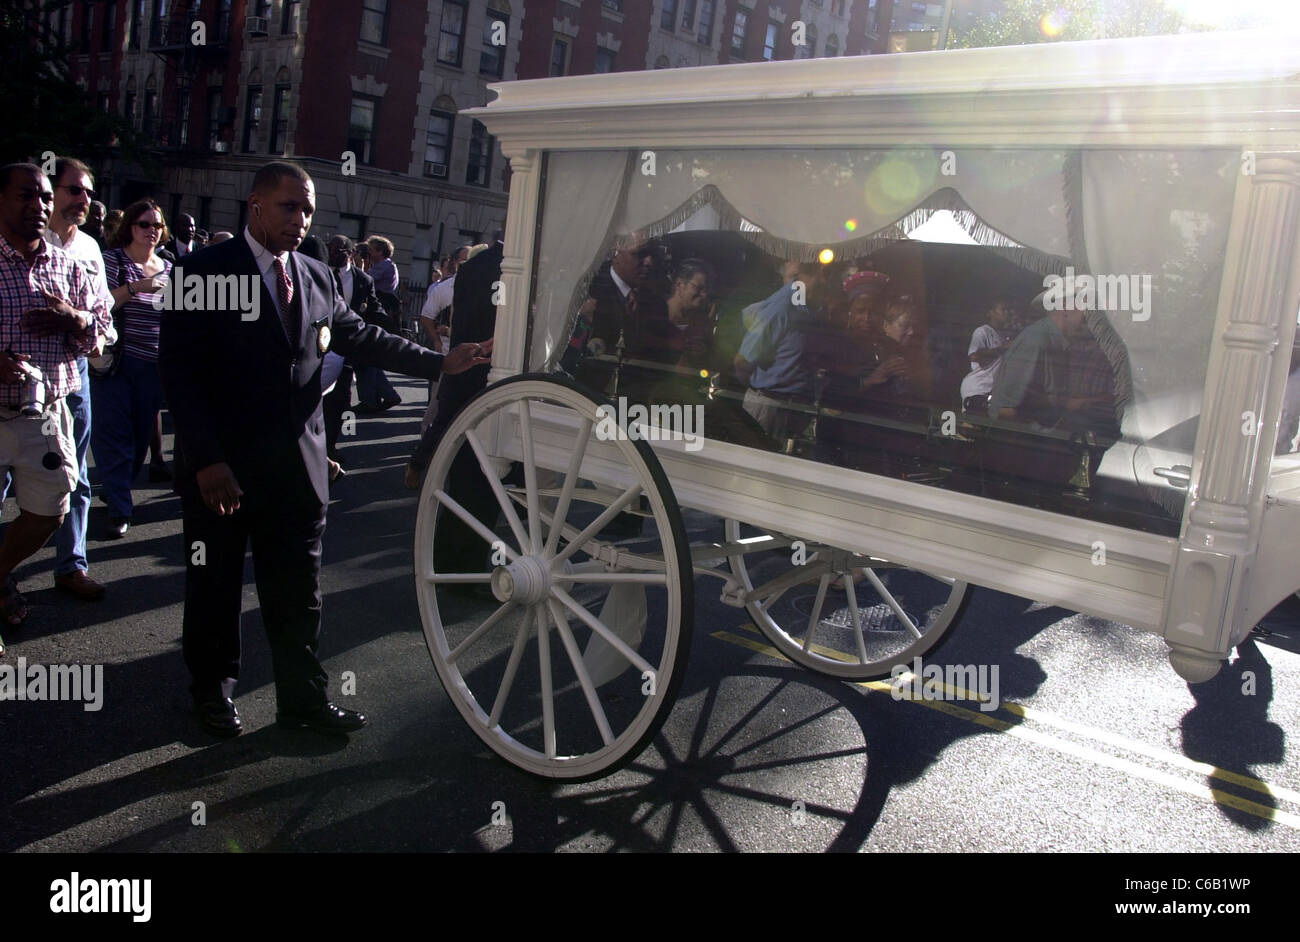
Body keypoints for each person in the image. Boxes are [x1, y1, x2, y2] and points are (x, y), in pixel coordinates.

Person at [157, 160, 490, 738]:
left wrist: (440, 361)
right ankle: (212, 696)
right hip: (225, 472)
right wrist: (208, 459)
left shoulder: (315, 274)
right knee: (214, 588)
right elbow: (180, 375)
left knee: (298, 593)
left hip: (298, 470)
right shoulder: (202, 272)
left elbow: (361, 335)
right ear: (255, 204)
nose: (301, 219)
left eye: (308, 208)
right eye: (290, 207)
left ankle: (302, 702)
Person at [0, 163, 113, 645]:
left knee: (52, 509)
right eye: (26, 196)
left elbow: (106, 332)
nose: (38, 206)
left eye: (43, 198)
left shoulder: (70, 263)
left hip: (46, 412)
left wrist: (75, 319)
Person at [39, 157, 116, 597]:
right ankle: (3, 574)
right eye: (73, 190)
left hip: (75, 374)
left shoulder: (88, 247)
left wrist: (92, 332)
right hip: (25, 378)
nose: (84, 199)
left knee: (77, 475)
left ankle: (71, 566)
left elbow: (105, 312)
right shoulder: (24, 241)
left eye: (88, 191)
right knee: (7, 474)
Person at [92, 198, 174, 539]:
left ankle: (115, 489)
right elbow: (100, 303)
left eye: (156, 225)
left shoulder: (169, 267)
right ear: (130, 227)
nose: (151, 231)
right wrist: (137, 287)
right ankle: (120, 510)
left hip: (153, 365)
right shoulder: (113, 260)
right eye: (144, 224)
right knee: (115, 435)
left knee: (140, 439)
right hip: (117, 361)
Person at [734, 260, 833, 444]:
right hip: (767, 407)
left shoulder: (808, 310)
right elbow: (742, 361)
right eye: (822, 275)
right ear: (800, 278)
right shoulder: (781, 309)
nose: (825, 282)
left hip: (792, 408)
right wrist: (760, 393)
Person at [355, 236, 402, 410]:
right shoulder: (383, 265)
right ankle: (380, 396)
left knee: (365, 356)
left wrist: (360, 265)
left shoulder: (385, 266)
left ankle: (376, 397)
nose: (368, 252)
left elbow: (364, 279)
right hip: (376, 313)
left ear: (381, 251)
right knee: (369, 357)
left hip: (376, 314)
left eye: (371, 249)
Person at [960, 299, 1018, 415]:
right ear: (990, 313)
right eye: (1003, 309)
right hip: (978, 388)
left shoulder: (1005, 335)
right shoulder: (982, 331)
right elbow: (975, 357)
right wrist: (1005, 347)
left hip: (993, 392)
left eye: (1008, 310)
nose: (1007, 313)